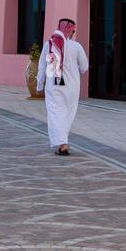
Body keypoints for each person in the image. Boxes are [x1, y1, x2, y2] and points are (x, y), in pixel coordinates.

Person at [36, 18, 89, 156]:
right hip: (72, 87)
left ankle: (63, 143)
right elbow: (84, 67)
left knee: (55, 113)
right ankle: (63, 141)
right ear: (71, 31)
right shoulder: (76, 46)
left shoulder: (49, 45)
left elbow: (42, 66)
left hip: (54, 86)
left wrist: (39, 85)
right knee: (67, 113)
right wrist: (74, 69)